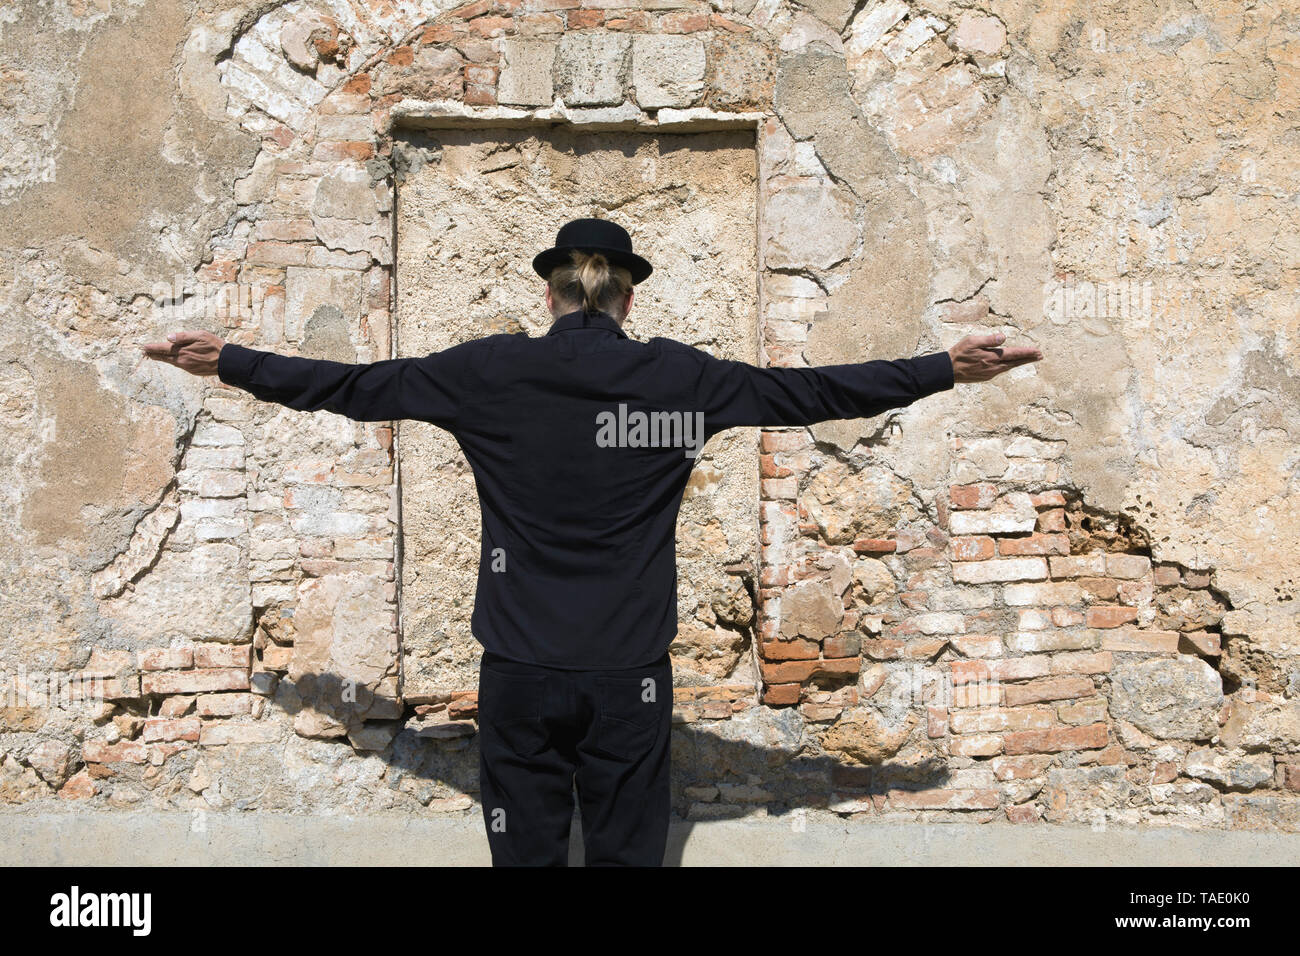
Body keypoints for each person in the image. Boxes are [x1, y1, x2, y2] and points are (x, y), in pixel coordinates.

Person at [140, 216, 1043, 866]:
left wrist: (230, 362)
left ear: (550, 292)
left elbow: (352, 386)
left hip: (520, 670)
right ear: (629, 293)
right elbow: (816, 393)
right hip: (628, 674)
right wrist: (941, 370)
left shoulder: (487, 371)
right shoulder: (682, 378)